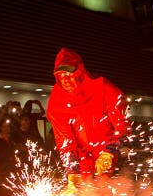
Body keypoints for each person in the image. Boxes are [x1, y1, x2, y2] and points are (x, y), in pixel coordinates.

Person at [45, 47, 130, 187]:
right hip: (81, 158)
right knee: (83, 193)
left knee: (105, 190)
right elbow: (64, 141)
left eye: (69, 73)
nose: (65, 80)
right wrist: (72, 171)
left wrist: (110, 151)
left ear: (80, 71)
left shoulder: (104, 89)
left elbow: (123, 125)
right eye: (61, 75)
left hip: (106, 151)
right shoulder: (57, 101)